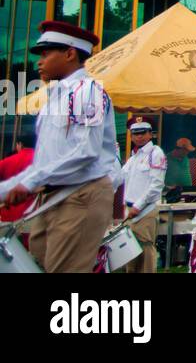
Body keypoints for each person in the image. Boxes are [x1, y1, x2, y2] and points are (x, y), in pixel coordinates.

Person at [0, 21, 122, 272]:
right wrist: (9, 188)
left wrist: (30, 183)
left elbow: (85, 151)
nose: (39, 62)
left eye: (46, 54)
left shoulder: (88, 91)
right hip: (55, 194)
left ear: (69, 53)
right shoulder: (57, 96)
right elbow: (44, 163)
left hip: (82, 193)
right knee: (37, 263)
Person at [120, 118, 167, 273]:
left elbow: (156, 186)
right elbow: (120, 179)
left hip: (145, 210)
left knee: (145, 252)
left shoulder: (155, 153)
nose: (139, 137)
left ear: (150, 134)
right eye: (135, 134)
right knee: (130, 254)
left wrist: (138, 206)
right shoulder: (133, 158)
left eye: (142, 133)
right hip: (129, 210)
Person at [0, 129, 35, 223]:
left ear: (20, 144)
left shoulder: (7, 161)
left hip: (8, 214)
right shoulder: (42, 161)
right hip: (33, 214)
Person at [163, 137, 194, 201]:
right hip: (169, 195)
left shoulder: (186, 159)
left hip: (185, 194)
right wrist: (167, 187)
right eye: (186, 150)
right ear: (179, 149)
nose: (187, 152)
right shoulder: (165, 160)